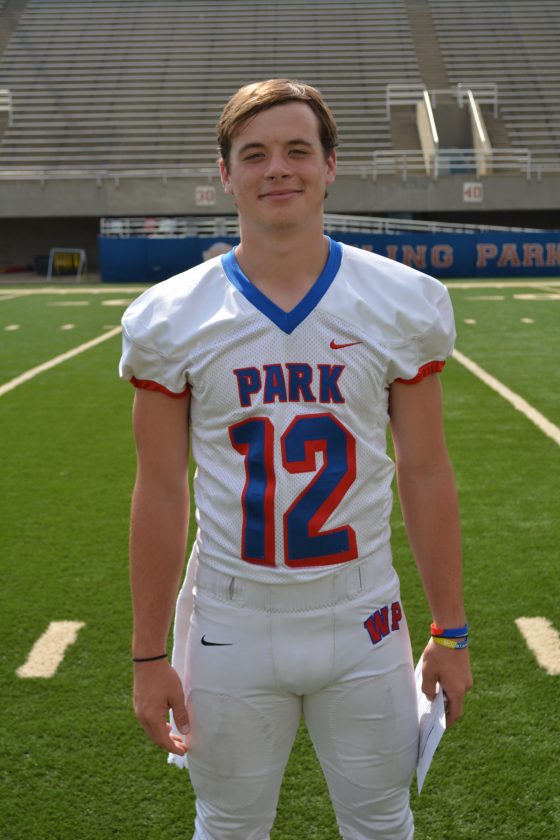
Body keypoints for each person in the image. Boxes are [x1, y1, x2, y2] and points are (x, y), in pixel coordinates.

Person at [119, 78, 473, 840]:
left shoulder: (398, 301)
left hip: (364, 614)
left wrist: (453, 629)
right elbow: (159, 490)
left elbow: (426, 469)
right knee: (228, 826)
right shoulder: (174, 315)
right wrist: (149, 656)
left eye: (296, 150)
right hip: (229, 618)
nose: (277, 168)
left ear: (330, 164)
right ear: (227, 174)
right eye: (255, 154)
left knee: (382, 824)